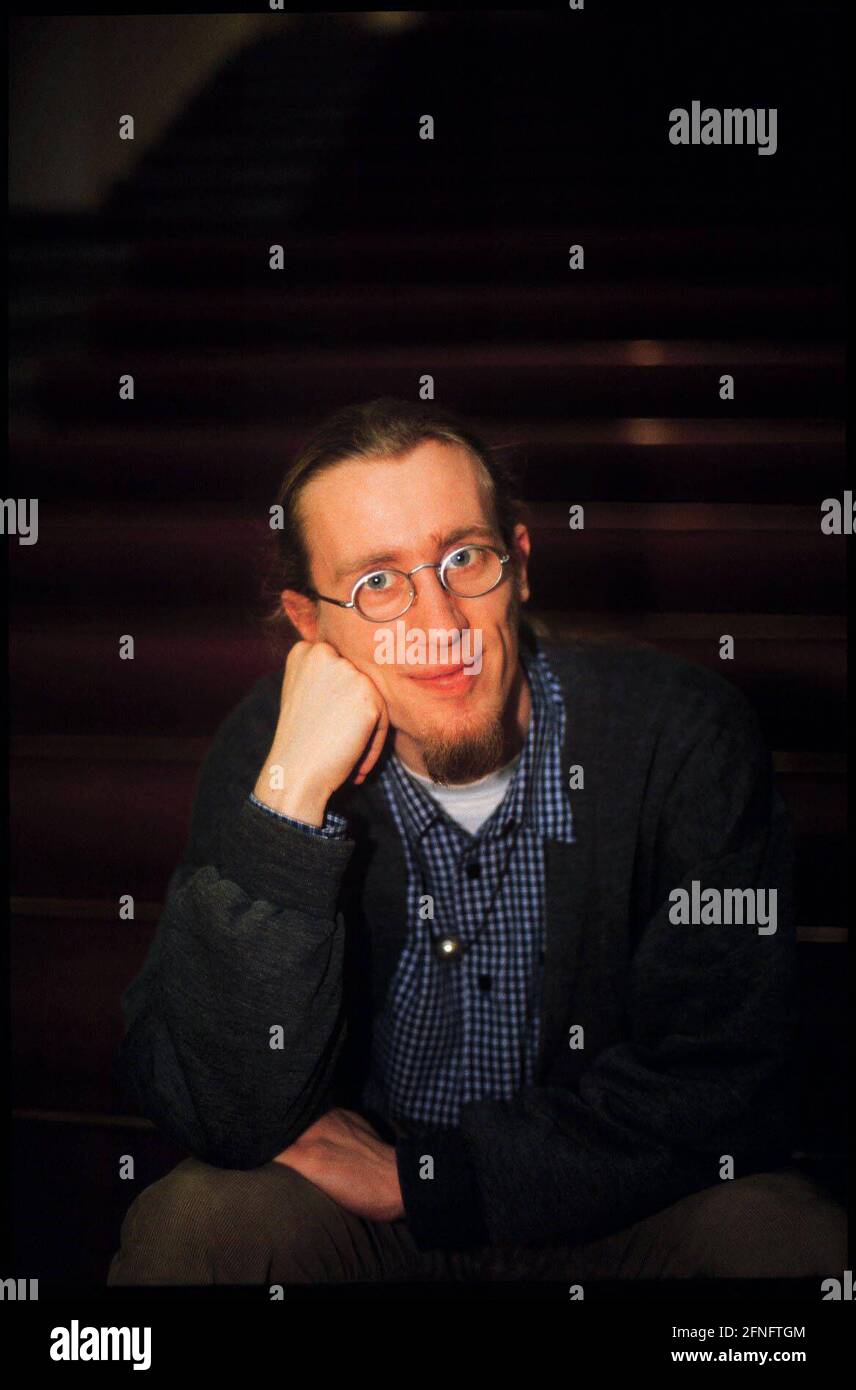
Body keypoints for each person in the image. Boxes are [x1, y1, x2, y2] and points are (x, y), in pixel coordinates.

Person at [107, 397, 845, 1286]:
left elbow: (734, 1083)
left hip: (620, 1213)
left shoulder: (681, 736)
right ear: (309, 622)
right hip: (368, 1237)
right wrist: (291, 800)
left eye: (466, 558)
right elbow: (216, 1109)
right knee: (202, 1225)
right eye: (377, 583)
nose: (441, 623)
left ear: (520, 565)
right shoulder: (266, 751)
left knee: (785, 1244)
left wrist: (431, 1180)